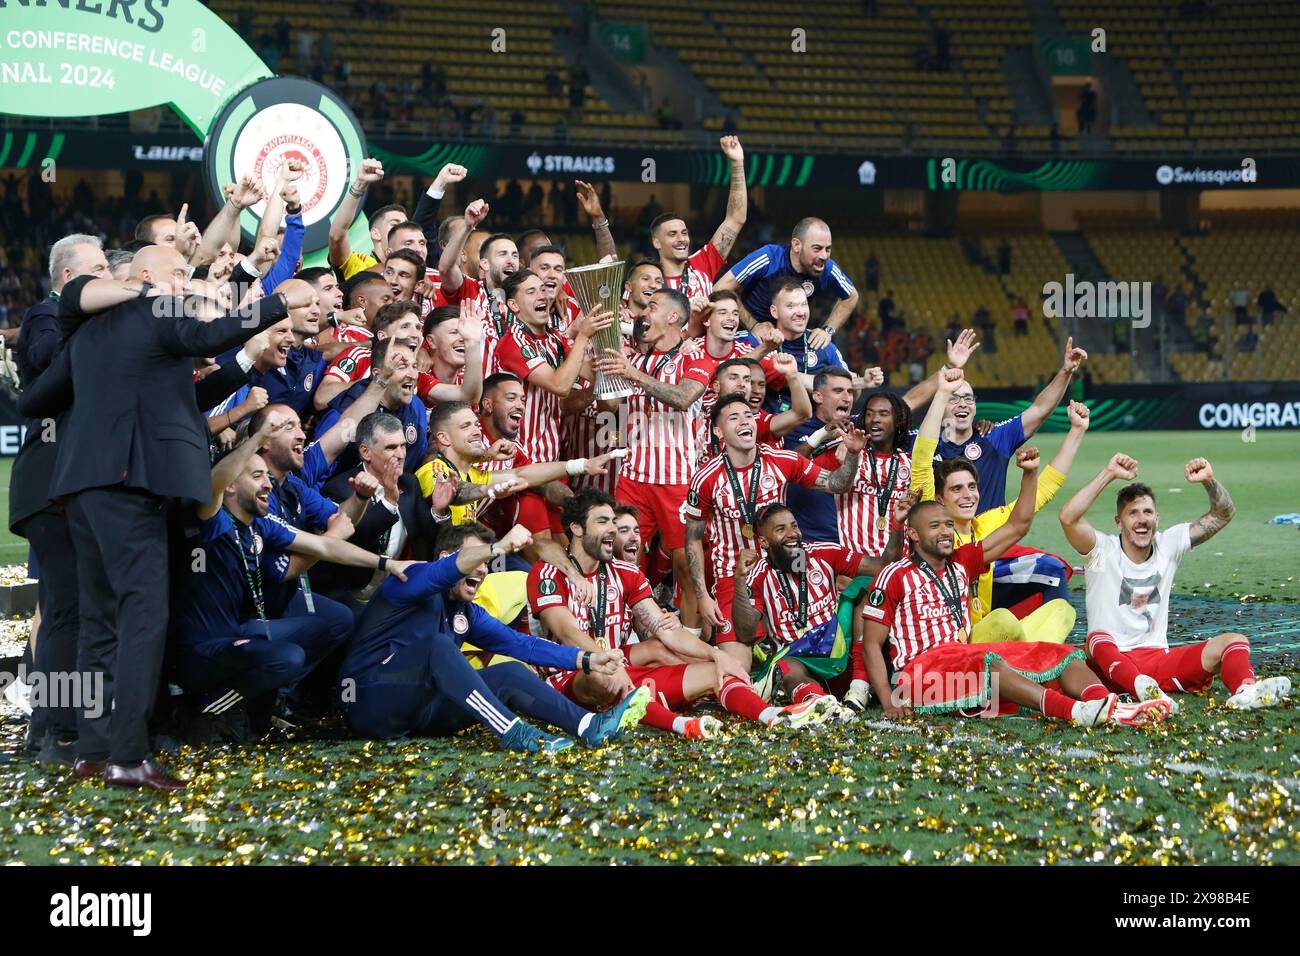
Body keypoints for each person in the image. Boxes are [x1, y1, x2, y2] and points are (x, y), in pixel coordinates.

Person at [18, 230, 313, 790]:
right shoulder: (154, 308)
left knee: (100, 621)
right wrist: (280, 302)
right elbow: (216, 330)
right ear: (148, 279)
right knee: (142, 615)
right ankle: (129, 755)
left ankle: (94, 747)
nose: (187, 280)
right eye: (178, 271)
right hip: (132, 485)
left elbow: (34, 400)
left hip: (80, 489)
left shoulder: (89, 338)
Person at [862, 460, 1170, 727]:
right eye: (934, 526)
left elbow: (1018, 526)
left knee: (1060, 654)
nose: (944, 531)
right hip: (919, 677)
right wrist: (890, 702)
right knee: (991, 661)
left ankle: (1106, 704)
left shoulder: (962, 562)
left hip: (962, 661)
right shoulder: (895, 574)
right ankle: (1076, 712)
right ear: (913, 534)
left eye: (947, 524)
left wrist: (1029, 474)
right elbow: (871, 645)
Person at [170, 415, 402, 742]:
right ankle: (204, 710)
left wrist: (389, 564)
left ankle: (246, 711)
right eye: (256, 476)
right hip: (199, 650)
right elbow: (214, 482)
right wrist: (258, 436)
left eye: (267, 476)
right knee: (285, 657)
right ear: (232, 486)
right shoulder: (213, 521)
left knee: (328, 625)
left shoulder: (261, 523)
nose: (267, 484)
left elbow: (325, 544)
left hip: (239, 633)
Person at [528, 490, 835, 736]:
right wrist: (603, 660)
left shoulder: (625, 573)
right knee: (601, 674)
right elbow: (567, 632)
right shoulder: (548, 572)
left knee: (715, 668)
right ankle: (681, 724)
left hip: (622, 667)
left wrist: (715, 655)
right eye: (602, 522)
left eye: (613, 522)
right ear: (577, 528)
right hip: (569, 676)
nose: (612, 530)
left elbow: (666, 630)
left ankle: (773, 716)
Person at [340, 521, 648, 752]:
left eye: (487, 563)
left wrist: (587, 658)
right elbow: (439, 573)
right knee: (438, 646)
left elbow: (523, 645)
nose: (483, 569)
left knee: (510, 673)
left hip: (417, 712)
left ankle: (588, 725)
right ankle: (513, 732)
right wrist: (498, 548)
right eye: (477, 559)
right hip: (370, 704)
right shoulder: (410, 578)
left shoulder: (466, 611)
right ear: (447, 557)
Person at [1060, 454, 1290, 712]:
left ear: (1156, 518)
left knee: (1234, 641)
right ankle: (1142, 688)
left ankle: (1246, 693)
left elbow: (1224, 514)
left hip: (1157, 659)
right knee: (1097, 638)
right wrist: (1109, 473)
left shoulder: (1167, 544)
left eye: (1147, 512)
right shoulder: (1102, 550)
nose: (1141, 519)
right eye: (1132, 513)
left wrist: (1209, 481)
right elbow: (1068, 517)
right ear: (1119, 521)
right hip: (1107, 663)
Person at [8, 233, 109, 767]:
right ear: (69, 278)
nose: (107, 278)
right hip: (51, 489)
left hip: (66, 486)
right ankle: (56, 730)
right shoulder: (45, 316)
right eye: (98, 268)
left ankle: (52, 728)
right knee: (67, 611)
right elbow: (47, 359)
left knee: (72, 610)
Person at [914, 369, 1089, 643]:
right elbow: (922, 458)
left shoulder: (986, 522)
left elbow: (1042, 492)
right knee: (1002, 622)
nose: (968, 495)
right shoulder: (932, 529)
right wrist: (942, 392)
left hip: (979, 631)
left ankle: (1040, 660)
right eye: (957, 489)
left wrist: (1076, 432)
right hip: (939, 640)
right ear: (939, 498)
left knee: (1060, 611)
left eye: (972, 487)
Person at [684, 394, 865, 653]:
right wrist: (702, 596)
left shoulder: (782, 460)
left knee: (816, 649)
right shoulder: (706, 478)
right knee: (737, 666)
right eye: (734, 417)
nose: (745, 421)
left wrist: (853, 455)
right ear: (718, 431)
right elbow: (692, 539)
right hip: (735, 576)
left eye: (749, 415)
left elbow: (838, 484)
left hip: (787, 566)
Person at [733, 498, 905, 709]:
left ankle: (859, 689)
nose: (792, 534)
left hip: (840, 656)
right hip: (798, 664)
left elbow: (884, 567)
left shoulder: (823, 553)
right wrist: (740, 580)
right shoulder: (758, 574)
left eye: (794, 526)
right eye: (780, 529)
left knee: (866, 587)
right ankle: (819, 704)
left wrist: (897, 524)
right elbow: (745, 633)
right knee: (786, 667)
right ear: (763, 542)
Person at [933, 335, 1087, 511]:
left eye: (968, 399)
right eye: (954, 399)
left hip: (992, 536)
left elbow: (1039, 410)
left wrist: (1066, 371)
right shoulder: (923, 444)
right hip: (947, 537)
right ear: (941, 404)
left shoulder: (995, 437)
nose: (962, 404)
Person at [714, 217, 859, 348]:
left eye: (828, 249)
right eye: (817, 248)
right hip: (750, 338)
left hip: (789, 342)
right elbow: (720, 288)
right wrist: (754, 326)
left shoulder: (826, 268)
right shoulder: (769, 257)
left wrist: (827, 330)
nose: (824, 256)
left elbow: (851, 296)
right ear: (796, 245)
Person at [648, 136, 747, 301]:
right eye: (672, 234)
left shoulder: (701, 264)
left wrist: (737, 164)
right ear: (656, 242)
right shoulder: (647, 280)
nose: (682, 239)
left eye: (684, 233)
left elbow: (736, 218)